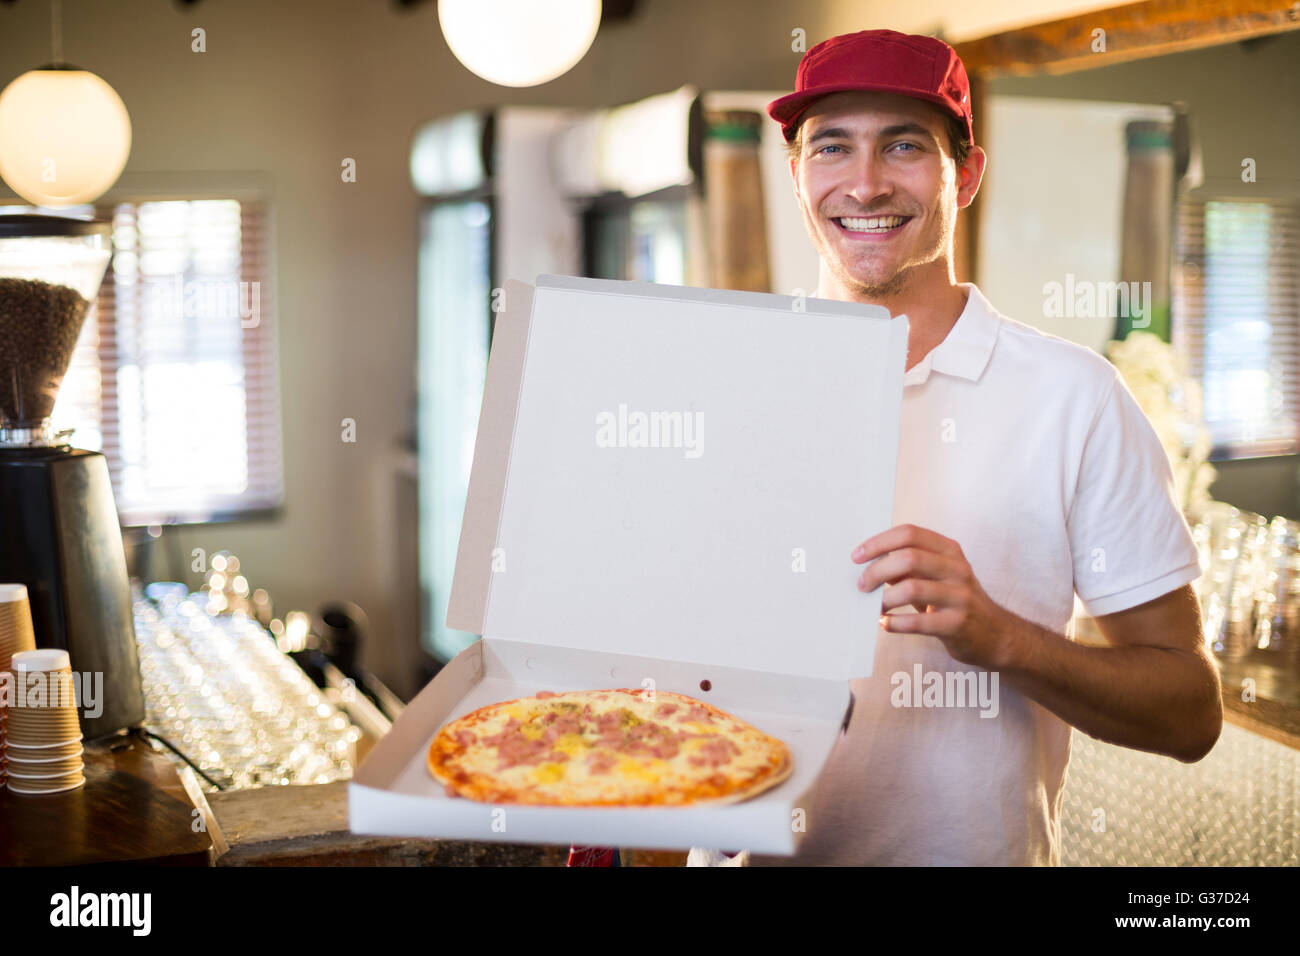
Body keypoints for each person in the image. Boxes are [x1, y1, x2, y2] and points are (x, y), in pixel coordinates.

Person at [735, 28, 1222, 866]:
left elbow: (1189, 713)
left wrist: (1002, 638)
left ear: (966, 175)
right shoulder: (728, 377)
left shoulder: (1074, 398)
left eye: (904, 145)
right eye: (831, 147)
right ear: (795, 175)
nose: (864, 182)